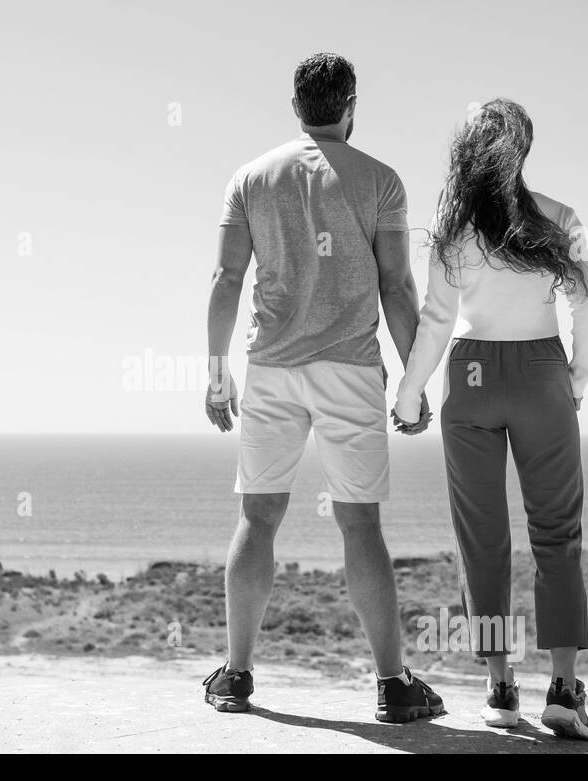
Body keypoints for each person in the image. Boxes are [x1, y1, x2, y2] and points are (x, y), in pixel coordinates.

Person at [201, 52, 442, 723]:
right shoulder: (382, 182)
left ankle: (237, 675)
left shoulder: (249, 177)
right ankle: (394, 685)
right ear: (351, 105)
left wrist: (218, 374)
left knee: (258, 516)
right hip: (351, 368)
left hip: (271, 368)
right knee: (360, 521)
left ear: (296, 107)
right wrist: (415, 383)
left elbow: (225, 281)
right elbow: (396, 286)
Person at [392, 99, 588, 739]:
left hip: (472, 379)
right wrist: (576, 379)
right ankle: (564, 692)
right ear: (527, 149)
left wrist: (408, 397)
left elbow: (434, 321)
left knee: (482, 540)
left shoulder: (450, 225)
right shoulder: (558, 217)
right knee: (556, 535)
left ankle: (499, 689)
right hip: (543, 376)